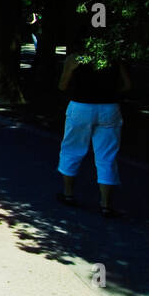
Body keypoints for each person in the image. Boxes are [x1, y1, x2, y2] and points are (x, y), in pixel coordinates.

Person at [56, 49, 132, 217]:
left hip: (80, 106)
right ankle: (106, 204)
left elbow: (62, 85)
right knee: (107, 156)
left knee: (72, 150)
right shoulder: (113, 57)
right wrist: (111, 94)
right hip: (109, 107)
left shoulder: (76, 57)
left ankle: (68, 194)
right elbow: (127, 85)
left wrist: (70, 69)